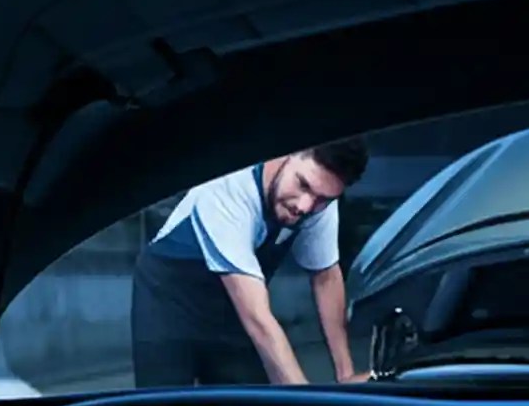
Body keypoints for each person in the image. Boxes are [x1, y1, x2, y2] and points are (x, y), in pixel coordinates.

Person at [130, 137, 370, 387]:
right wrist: (305, 399)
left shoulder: (319, 202)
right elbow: (257, 319)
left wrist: (346, 375)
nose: (305, 206)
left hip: (230, 308)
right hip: (169, 298)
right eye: (302, 185)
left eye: (323, 198)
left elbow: (326, 277)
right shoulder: (228, 185)